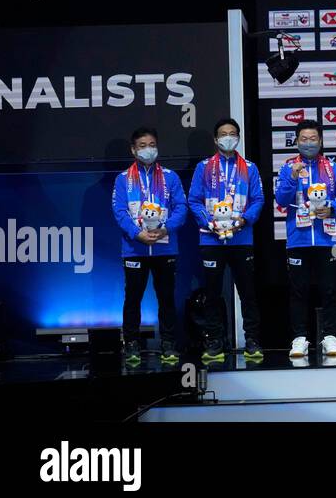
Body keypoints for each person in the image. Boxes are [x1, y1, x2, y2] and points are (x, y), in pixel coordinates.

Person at [187, 118, 265, 362]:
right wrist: (207, 222)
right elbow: (194, 200)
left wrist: (244, 220)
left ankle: (252, 340)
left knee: (248, 292)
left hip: (241, 238)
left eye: (232, 133)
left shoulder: (249, 168)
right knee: (212, 292)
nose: (228, 137)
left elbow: (258, 199)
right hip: (211, 240)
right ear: (215, 139)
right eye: (223, 134)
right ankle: (214, 341)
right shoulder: (204, 167)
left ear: (238, 137)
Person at [274, 120, 336, 359]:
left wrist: (332, 209)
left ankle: (330, 337)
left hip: (326, 239)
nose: (309, 143)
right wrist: (291, 178)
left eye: (313, 139)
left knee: (329, 290)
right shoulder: (289, 167)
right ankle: (299, 339)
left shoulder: (331, 167)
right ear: (296, 142)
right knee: (299, 291)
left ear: (320, 141)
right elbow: (281, 200)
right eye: (304, 139)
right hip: (298, 239)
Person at [112, 126, 187, 365]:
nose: (148, 150)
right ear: (133, 150)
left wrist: (165, 229)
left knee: (166, 297)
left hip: (165, 246)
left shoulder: (170, 177)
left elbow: (181, 208)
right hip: (135, 247)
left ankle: (168, 343)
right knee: (132, 296)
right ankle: (131, 343)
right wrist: (137, 234)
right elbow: (120, 211)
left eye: (152, 145)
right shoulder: (123, 179)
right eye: (142, 146)